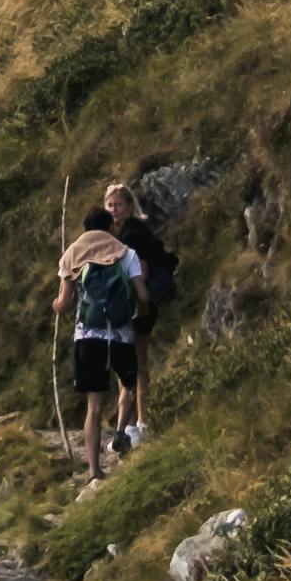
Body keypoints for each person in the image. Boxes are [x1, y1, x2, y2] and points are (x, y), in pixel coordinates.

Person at [54, 209, 145, 483]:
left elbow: (64, 303)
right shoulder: (127, 254)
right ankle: (120, 431)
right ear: (109, 228)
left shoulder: (72, 254)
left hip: (87, 337)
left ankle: (94, 471)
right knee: (129, 386)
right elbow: (142, 294)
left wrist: (56, 305)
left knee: (93, 406)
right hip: (120, 335)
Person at [103, 179, 176, 446]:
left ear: (130, 205)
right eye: (109, 205)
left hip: (138, 307)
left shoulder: (132, 235)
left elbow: (140, 272)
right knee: (133, 366)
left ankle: (136, 426)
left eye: (118, 204)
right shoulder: (127, 232)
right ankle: (134, 424)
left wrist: (136, 304)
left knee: (133, 367)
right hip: (139, 307)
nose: (113, 209)